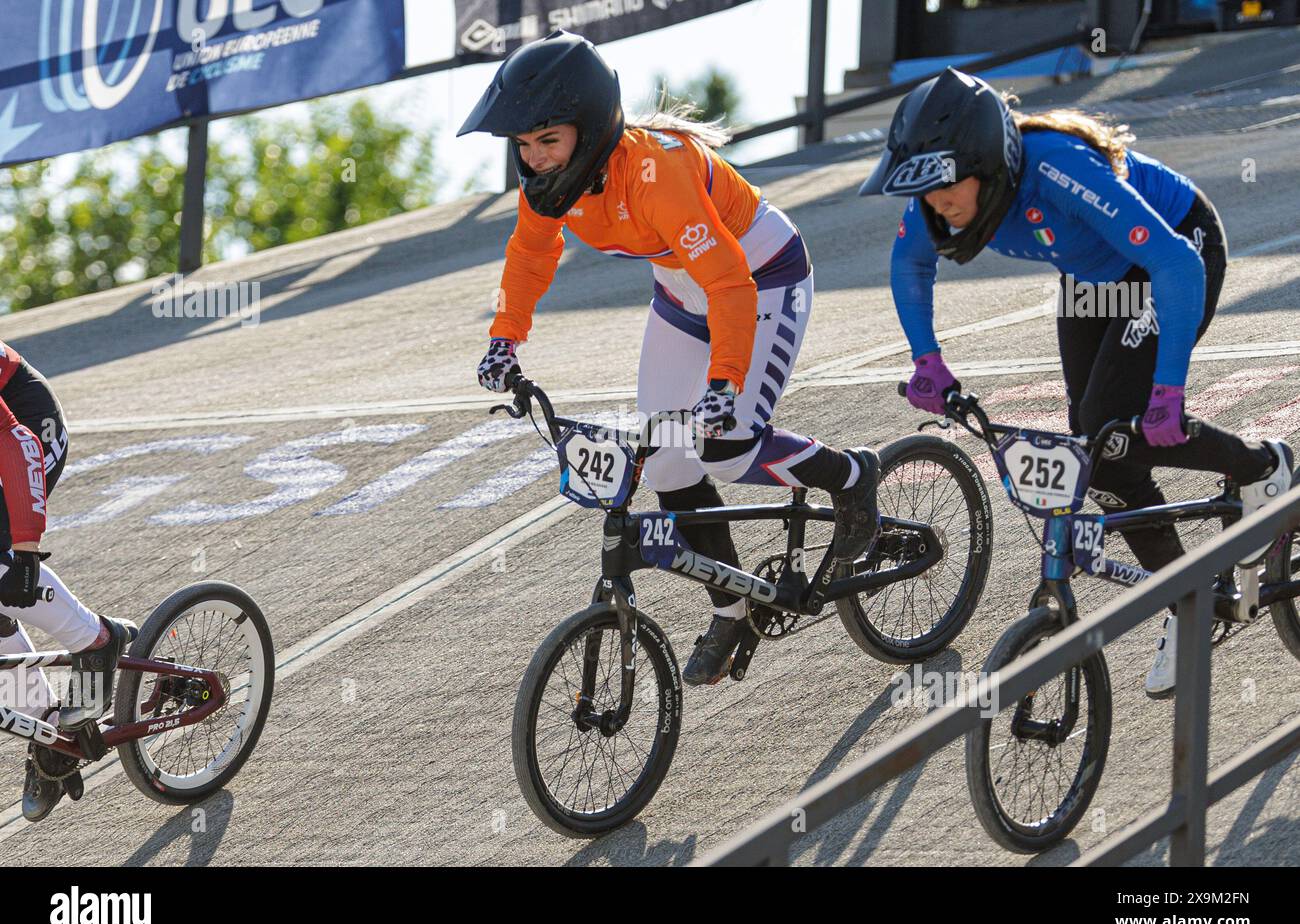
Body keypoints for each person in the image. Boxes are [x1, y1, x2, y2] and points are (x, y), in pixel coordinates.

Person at [460, 30, 881, 686]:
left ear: (592, 128)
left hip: (761, 280)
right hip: (683, 299)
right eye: (524, 144)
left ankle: (851, 477)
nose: (536, 159)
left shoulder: (658, 173)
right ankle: (732, 607)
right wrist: (504, 340)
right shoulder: (551, 185)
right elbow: (530, 254)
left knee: (728, 446)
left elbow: (730, 283)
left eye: (548, 141)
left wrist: (724, 381)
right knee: (665, 458)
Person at [860, 67, 1293, 698]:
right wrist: (927, 361)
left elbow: (1175, 260)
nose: (936, 203)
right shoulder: (944, 194)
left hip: (1173, 254)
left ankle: (1262, 468)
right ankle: (1188, 598)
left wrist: (1169, 389)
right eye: (924, 191)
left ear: (990, 162)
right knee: (1097, 446)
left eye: (946, 186)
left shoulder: (1059, 166)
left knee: (1116, 424)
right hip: (1092, 278)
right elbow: (909, 263)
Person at [0, 342, 137, 821]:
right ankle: (48, 729)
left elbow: (15, 444)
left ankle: (96, 638)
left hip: (21, 421)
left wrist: (24, 550)